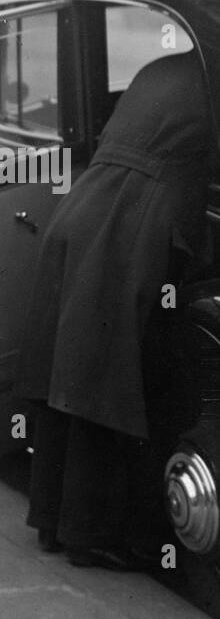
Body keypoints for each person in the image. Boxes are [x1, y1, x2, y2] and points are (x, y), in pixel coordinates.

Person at [19, 52, 217, 570]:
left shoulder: (164, 68)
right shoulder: (213, 76)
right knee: (106, 378)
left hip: (84, 212)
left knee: (70, 372)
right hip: (131, 226)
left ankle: (52, 522)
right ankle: (89, 536)